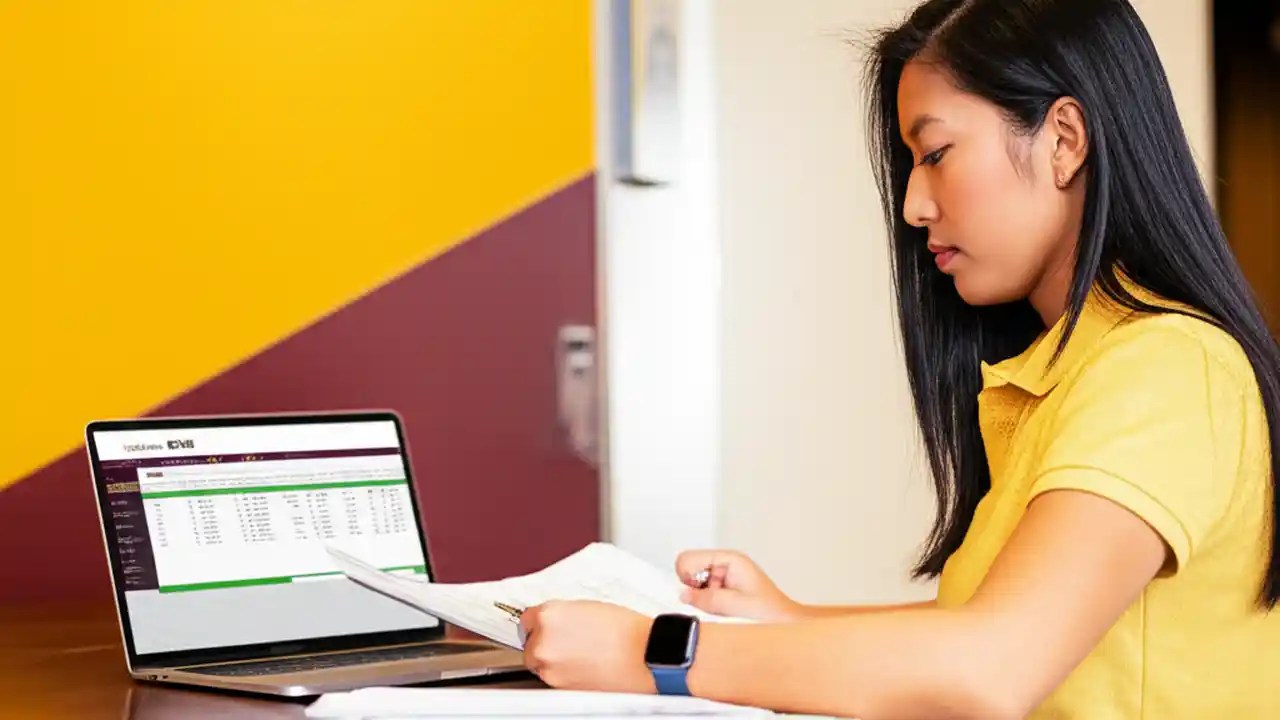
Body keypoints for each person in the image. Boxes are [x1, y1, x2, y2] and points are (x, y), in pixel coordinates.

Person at [517, 1, 1280, 717]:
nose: (915, 205)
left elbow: (991, 667)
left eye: (938, 152)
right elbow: (997, 629)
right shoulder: (1074, 370)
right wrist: (786, 621)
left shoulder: (1169, 368)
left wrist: (651, 655)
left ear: (1065, 140)